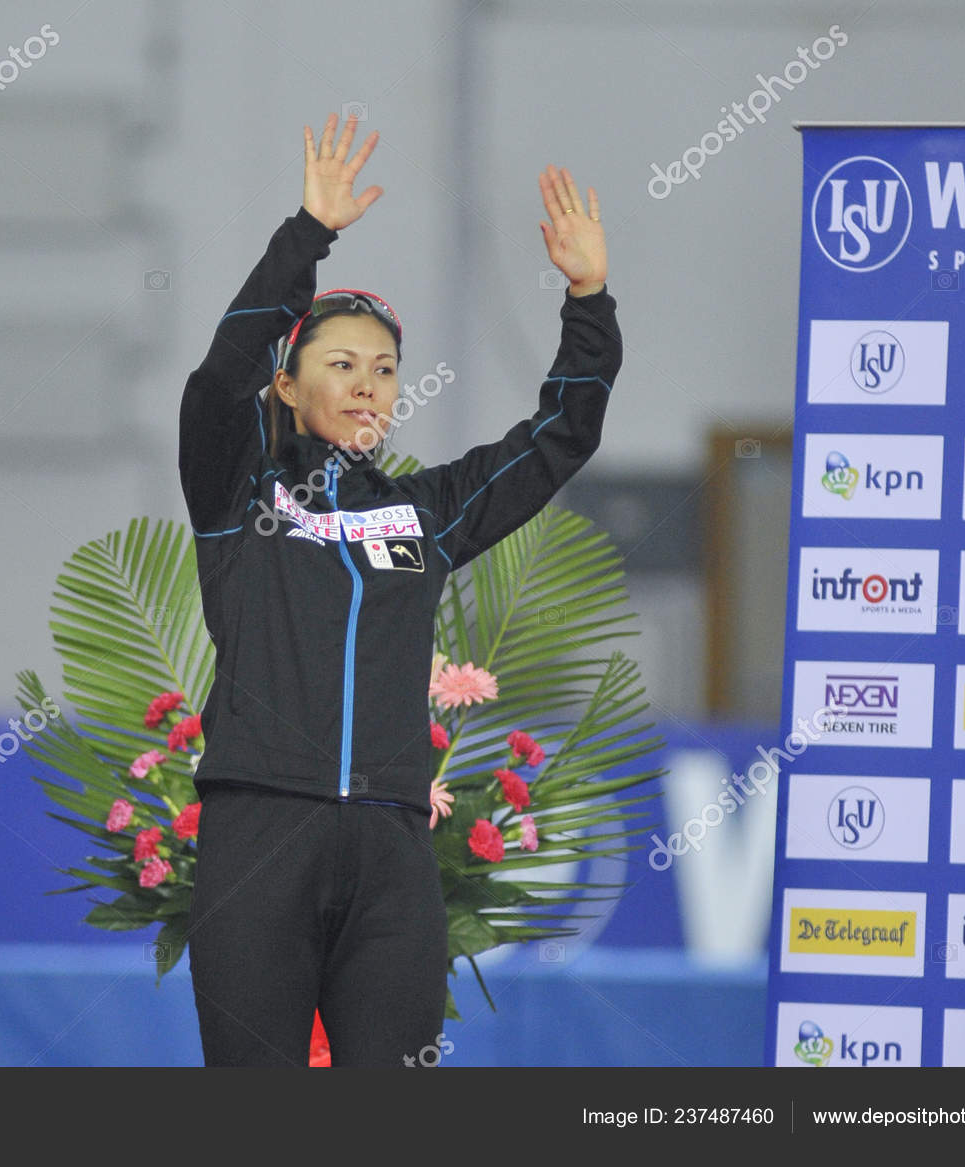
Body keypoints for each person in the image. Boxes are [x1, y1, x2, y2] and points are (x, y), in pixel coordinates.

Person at [177, 111, 619, 1067]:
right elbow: (219, 383)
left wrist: (587, 295)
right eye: (341, 365)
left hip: (391, 852)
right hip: (260, 832)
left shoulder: (423, 515)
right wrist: (307, 235)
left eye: (385, 371)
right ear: (288, 386)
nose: (370, 385)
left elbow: (556, 441)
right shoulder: (236, 492)